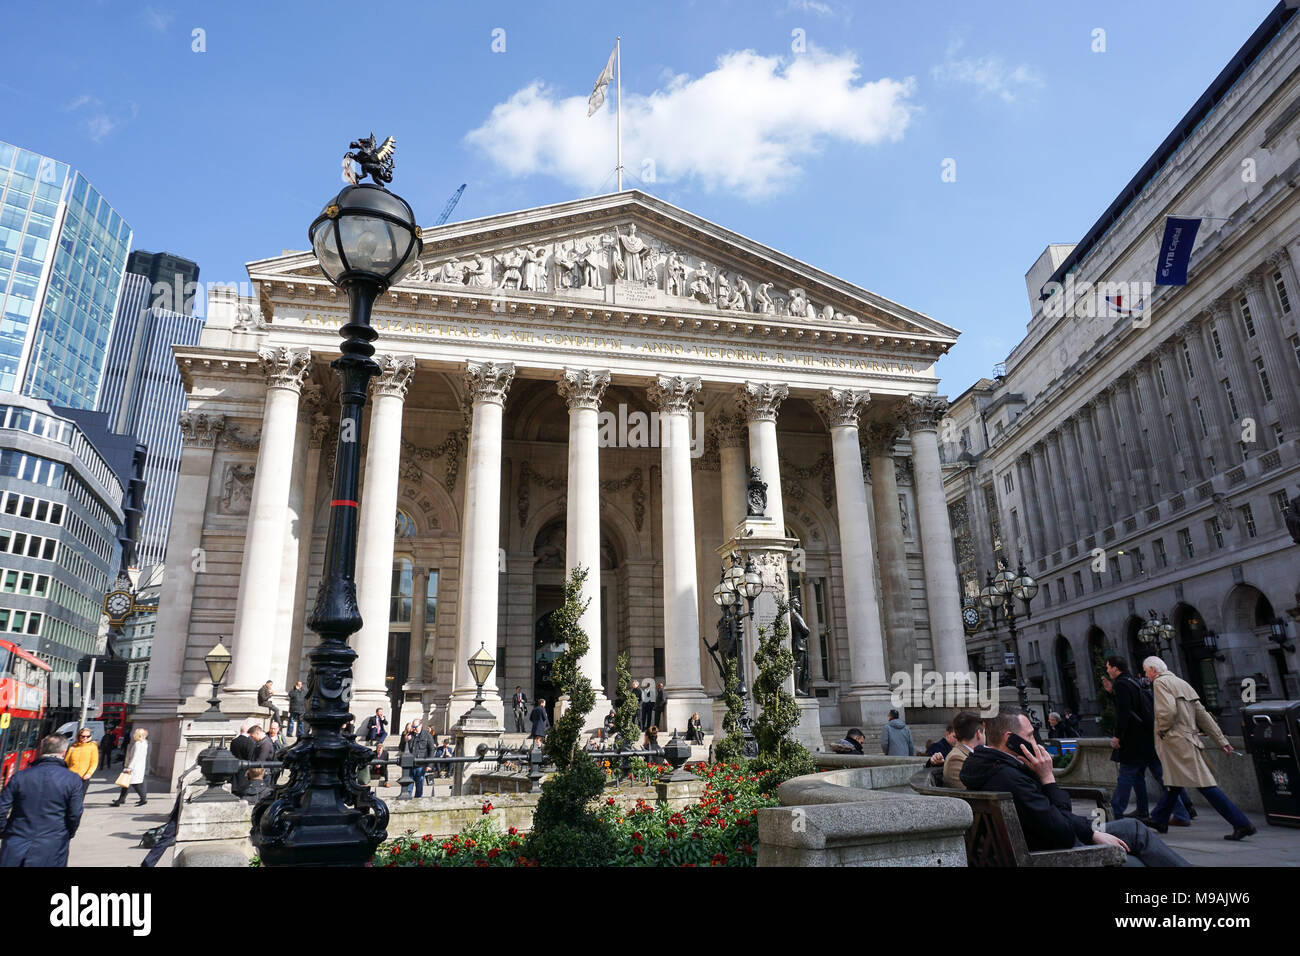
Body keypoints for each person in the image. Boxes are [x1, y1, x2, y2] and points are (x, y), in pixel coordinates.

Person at [959, 709, 1190, 866]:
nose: (1036, 742)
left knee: (1134, 828)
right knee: (1134, 857)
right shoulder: (1008, 776)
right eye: (1030, 736)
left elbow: (1052, 816)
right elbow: (1061, 829)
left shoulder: (986, 766)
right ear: (1010, 739)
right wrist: (1048, 777)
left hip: (1041, 841)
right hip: (1052, 851)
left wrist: (1091, 832)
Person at [1143, 657, 1256, 840]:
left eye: (1146, 671)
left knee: (1205, 785)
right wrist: (1221, 740)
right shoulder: (1182, 683)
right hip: (1189, 740)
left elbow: (1167, 712)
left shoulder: (1160, 683)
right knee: (1173, 783)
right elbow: (1202, 715)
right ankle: (1159, 819)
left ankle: (1242, 824)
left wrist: (1162, 730)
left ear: (1153, 670)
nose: (1146, 675)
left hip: (1175, 742)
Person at [1105, 655, 1190, 826]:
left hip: (1134, 739)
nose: (1107, 670)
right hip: (1148, 736)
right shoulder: (1132, 681)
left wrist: (1118, 735)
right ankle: (1180, 812)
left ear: (1115, 668)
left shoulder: (1121, 684)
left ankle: (1115, 812)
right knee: (1159, 776)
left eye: (1108, 667)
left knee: (1126, 776)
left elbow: (1124, 712)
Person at [0, 735, 84, 867]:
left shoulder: (20, 776)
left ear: (41, 750)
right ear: (64, 753)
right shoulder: (73, 780)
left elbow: (2, 808)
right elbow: (75, 813)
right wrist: (67, 833)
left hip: (16, 842)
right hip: (52, 844)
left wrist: (6, 831)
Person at [942, 711, 984, 789]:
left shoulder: (966, 754)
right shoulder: (956, 758)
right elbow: (967, 792)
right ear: (978, 734)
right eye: (984, 732)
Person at [112, 728, 150, 807]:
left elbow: (135, 757)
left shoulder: (138, 744)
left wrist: (129, 767)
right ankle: (121, 800)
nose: (133, 735)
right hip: (139, 766)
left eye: (135, 733)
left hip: (135, 767)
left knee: (134, 784)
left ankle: (143, 799)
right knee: (126, 783)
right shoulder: (144, 743)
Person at [403, 718, 435, 797]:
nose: (414, 729)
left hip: (421, 765)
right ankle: (407, 802)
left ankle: (417, 802)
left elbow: (431, 750)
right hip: (409, 765)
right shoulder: (409, 735)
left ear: (420, 725)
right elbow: (401, 748)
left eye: (415, 727)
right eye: (413, 727)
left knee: (419, 788)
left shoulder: (427, 735)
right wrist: (405, 741)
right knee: (408, 788)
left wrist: (429, 765)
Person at [64, 727, 99, 797]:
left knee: (79, 798)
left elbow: (94, 762)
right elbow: (66, 761)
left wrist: (89, 773)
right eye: (83, 736)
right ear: (79, 736)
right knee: (68, 797)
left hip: (83, 777)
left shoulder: (92, 747)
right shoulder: (73, 746)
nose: (85, 738)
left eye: (88, 736)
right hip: (71, 777)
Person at [229, 722, 255, 796]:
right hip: (245, 770)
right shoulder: (250, 742)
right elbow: (250, 757)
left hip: (235, 769)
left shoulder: (234, 741)